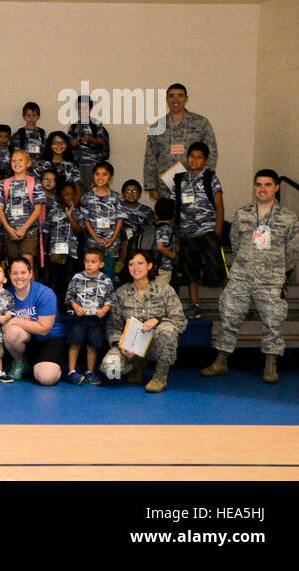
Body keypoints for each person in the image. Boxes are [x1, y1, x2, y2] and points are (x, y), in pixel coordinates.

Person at [201, 170, 299, 384]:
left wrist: (277, 272)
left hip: (271, 280)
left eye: (267, 185)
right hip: (241, 277)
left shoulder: (289, 218)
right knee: (228, 316)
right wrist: (245, 264)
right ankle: (221, 361)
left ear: (276, 188)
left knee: (273, 321)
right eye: (258, 185)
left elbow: (292, 252)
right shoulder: (242, 214)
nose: (262, 189)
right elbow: (235, 243)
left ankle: (270, 366)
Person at [103, 251, 187, 393]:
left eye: (140, 263)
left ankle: (159, 378)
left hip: (156, 345)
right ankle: (137, 365)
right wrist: (120, 344)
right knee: (110, 369)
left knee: (168, 330)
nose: (135, 267)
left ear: (149, 266)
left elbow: (179, 321)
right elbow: (113, 327)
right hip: (132, 347)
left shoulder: (164, 290)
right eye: (131, 264)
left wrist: (158, 320)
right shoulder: (121, 293)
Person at [169, 142, 226, 318]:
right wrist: (175, 237)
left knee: (216, 270)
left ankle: (234, 300)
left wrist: (217, 233)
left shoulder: (210, 178)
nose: (194, 160)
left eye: (199, 157)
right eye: (192, 156)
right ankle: (194, 305)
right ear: (187, 158)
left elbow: (220, 208)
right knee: (191, 271)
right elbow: (173, 209)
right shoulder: (179, 180)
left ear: (205, 160)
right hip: (187, 234)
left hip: (208, 231)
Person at [144, 83, 218, 200]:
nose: (176, 100)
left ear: (186, 98)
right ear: (167, 99)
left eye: (180, 95)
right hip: (166, 185)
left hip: (194, 183)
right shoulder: (156, 126)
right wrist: (152, 186)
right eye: (171, 96)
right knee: (169, 217)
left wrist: (206, 178)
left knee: (193, 216)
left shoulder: (200, 123)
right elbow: (150, 157)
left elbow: (211, 151)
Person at [1, 257, 67, 384]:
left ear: (30, 274)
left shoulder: (45, 293)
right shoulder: (6, 295)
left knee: (47, 379)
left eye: (23, 272)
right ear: (9, 275)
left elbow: (44, 329)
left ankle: (48, 365)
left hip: (49, 339)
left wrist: (15, 320)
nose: (19, 277)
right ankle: (20, 362)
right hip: (26, 340)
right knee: (12, 332)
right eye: (15, 273)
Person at [65, 249, 115, 386]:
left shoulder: (106, 280)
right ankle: (71, 371)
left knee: (92, 346)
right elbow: (70, 295)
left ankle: (90, 371)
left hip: (96, 319)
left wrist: (105, 309)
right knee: (75, 344)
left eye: (93, 262)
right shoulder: (77, 278)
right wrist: (75, 306)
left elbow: (111, 298)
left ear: (101, 264)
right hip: (79, 317)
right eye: (87, 261)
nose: (89, 265)